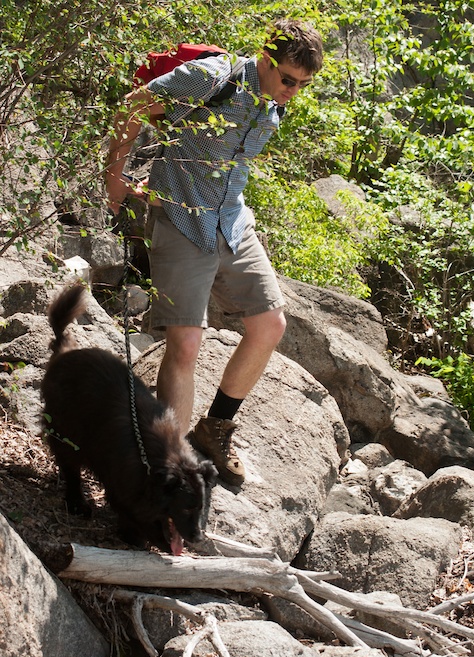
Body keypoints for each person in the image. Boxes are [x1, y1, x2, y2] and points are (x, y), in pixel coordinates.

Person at [106, 19, 323, 486]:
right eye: (288, 79)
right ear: (265, 59)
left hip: (232, 222)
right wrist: (115, 179)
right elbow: (133, 106)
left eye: (303, 85)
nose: (293, 92)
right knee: (185, 345)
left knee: (270, 325)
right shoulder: (213, 77)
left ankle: (215, 429)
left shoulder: (274, 103)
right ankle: (172, 470)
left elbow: (233, 165)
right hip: (182, 222)